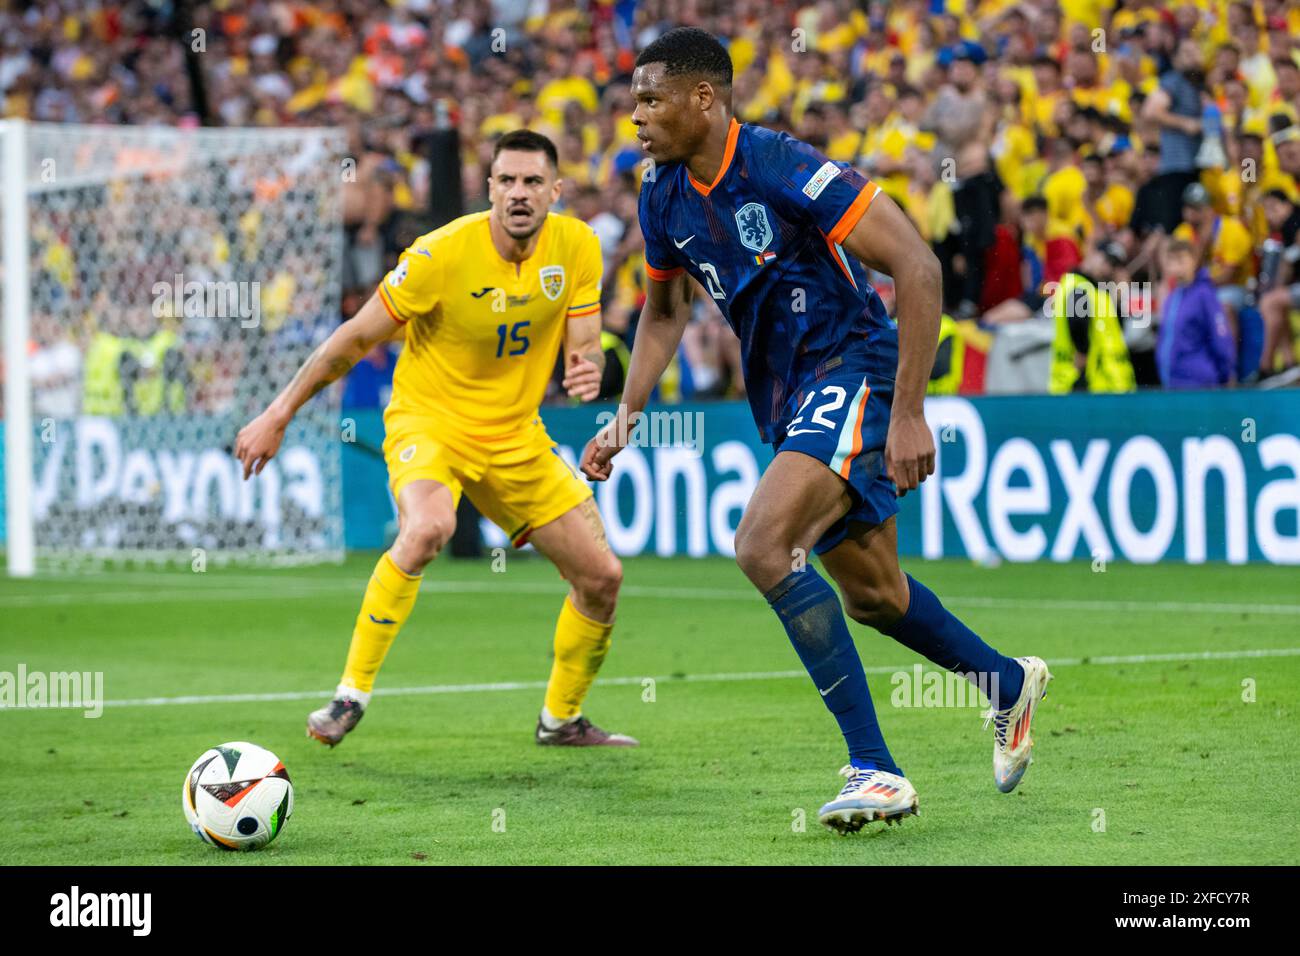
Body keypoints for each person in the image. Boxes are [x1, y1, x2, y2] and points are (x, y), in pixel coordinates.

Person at [580, 28, 1050, 834]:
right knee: (873, 597)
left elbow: (918, 266)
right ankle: (1007, 684)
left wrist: (907, 411)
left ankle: (876, 769)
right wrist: (625, 416)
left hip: (853, 365)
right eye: (632, 104)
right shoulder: (659, 195)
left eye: (651, 100)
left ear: (704, 98)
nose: (637, 118)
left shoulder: (780, 164)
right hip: (788, 395)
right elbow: (663, 313)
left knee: (761, 544)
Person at [235, 129, 637, 750]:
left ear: (555, 190)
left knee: (602, 577)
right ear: (489, 189)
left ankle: (561, 720)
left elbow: (585, 348)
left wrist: (591, 369)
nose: (519, 194)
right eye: (506, 181)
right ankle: (350, 695)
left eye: (533, 182)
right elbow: (353, 339)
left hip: (515, 436)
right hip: (431, 422)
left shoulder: (578, 246)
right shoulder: (440, 254)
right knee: (427, 530)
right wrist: (279, 412)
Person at [1156, 239, 1237, 389]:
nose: (1176, 265)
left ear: (1193, 261)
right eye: (1172, 259)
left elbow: (1220, 337)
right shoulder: (1172, 298)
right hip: (1172, 383)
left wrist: (1226, 373)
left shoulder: (1204, 294)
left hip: (1199, 384)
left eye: (1181, 259)